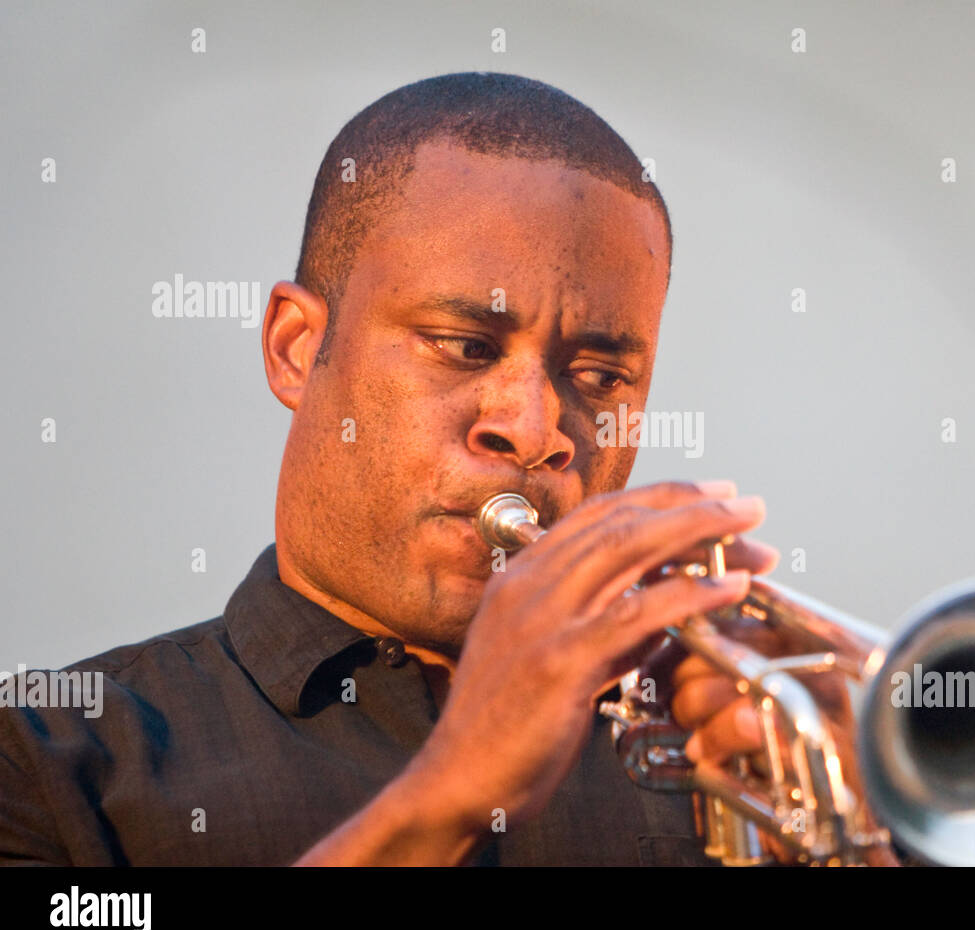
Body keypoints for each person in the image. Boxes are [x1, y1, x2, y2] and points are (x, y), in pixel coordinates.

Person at [0, 73, 895, 866]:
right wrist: (456, 787)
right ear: (295, 348)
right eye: (465, 346)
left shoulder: (737, 751)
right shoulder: (47, 760)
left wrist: (888, 822)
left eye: (598, 378)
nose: (536, 428)